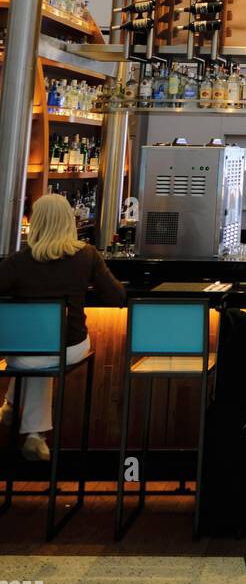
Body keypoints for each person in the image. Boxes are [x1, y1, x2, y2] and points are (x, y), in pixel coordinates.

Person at [0, 194, 126, 462]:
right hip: (71, 347)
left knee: (33, 357)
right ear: (69, 221)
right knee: (46, 355)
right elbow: (116, 297)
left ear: (36, 223)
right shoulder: (87, 255)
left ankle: (13, 406)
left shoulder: (17, 261)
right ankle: (34, 435)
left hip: (24, 351)